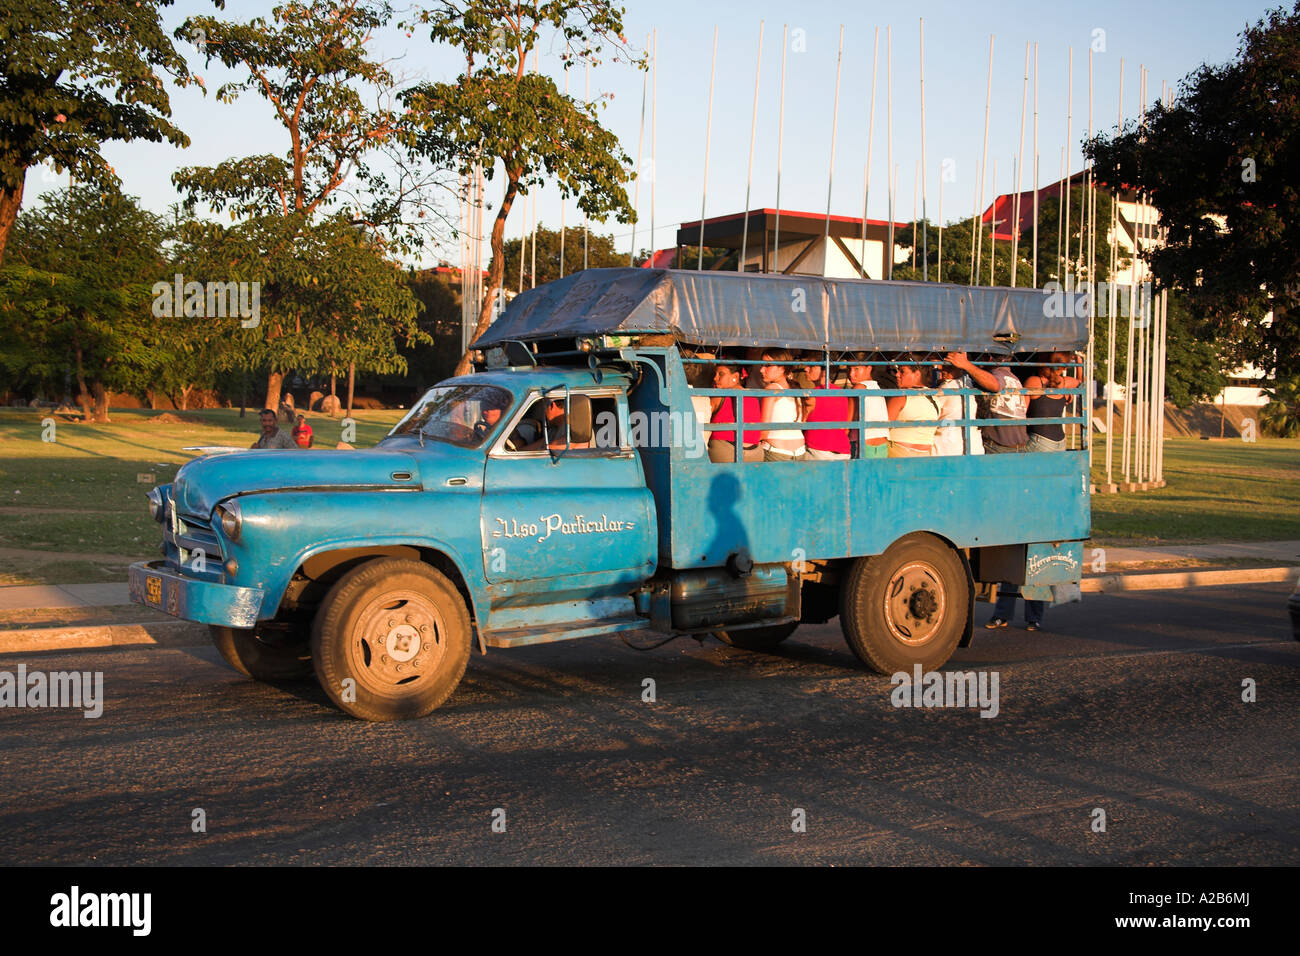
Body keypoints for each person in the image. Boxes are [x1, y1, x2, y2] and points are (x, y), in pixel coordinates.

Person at [932, 352, 1002, 456]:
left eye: (949, 366)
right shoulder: (972, 385)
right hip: (974, 449)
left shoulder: (947, 388)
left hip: (947, 450)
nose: (943, 370)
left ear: (960, 367)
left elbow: (930, 415)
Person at [708, 357, 763, 462]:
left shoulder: (718, 396)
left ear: (736, 376)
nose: (715, 378)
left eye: (721, 374)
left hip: (725, 452)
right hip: (755, 453)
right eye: (715, 374)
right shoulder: (753, 397)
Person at [1024, 352, 1080, 453]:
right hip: (1060, 442)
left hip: (1040, 441)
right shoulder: (1064, 382)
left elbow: (1022, 411)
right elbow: (1081, 383)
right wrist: (1079, 361)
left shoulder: (1033, 382)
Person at [885, 359, 940, 458]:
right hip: (925, 456)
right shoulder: (935, 398)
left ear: (917, 374)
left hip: (898, 453)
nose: (897, 375)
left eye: (902, 371)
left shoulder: (901, 397)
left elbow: (882, 429)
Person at [758, 348, 806, 461]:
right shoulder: (795, 389)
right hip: (800, 452)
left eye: (768, 365)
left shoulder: (771, 389)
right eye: (762, 365)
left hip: (776, 452)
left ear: (782, 368)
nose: (761, 370)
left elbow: (764, 431)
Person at [800, 356, 851, 460]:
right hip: (843, 452)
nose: (806, 369)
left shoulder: (811, 396)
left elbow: (801, 423)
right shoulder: (842, 393)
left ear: (824, 372)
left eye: (811, 366)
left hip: (818, 451)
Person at [845, 352, 889, 459]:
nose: (851, 374)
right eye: (849, 369)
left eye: (856, 369)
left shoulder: (858, 388)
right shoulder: (877, 387)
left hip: (862, 446)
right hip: (881, 447)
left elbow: (847, 423)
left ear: (869, 368)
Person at [981, 361, 1031, 453]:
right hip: (1018, 444)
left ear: (990, 358)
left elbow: (995, 385)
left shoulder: (997, 375)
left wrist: (967, 365)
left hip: (999, 445)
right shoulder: (1015, 379)